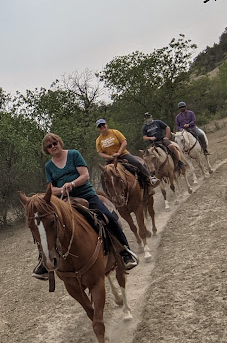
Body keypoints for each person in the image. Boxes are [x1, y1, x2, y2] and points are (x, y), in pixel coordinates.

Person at [32, 133, 139, 280]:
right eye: (49, 146)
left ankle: (125, 252)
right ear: (46, 149)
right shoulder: (48, 166)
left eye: (55, 142)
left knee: (108, 217)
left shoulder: (74, 154)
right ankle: (44, 263)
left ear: (60, 142)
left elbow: (85, 175)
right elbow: (50, 187)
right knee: (47, 225)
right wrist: (61, 189)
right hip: (64, 200)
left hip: (86, 194)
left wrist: (72, 184)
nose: (53, 146)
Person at [95, 118, 160, 187]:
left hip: (123, 154)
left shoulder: (115, 132)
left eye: (103, 125)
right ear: (98, 129)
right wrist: (110, 157)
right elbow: (100, 153)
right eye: (99, 126)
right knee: (104, 175)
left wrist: (119, 153)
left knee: (138, 163)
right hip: (111, 159)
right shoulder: (98, 140)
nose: (102, 127)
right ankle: (108, 193)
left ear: (106, 125)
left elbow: (124, 142)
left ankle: (150, 178)